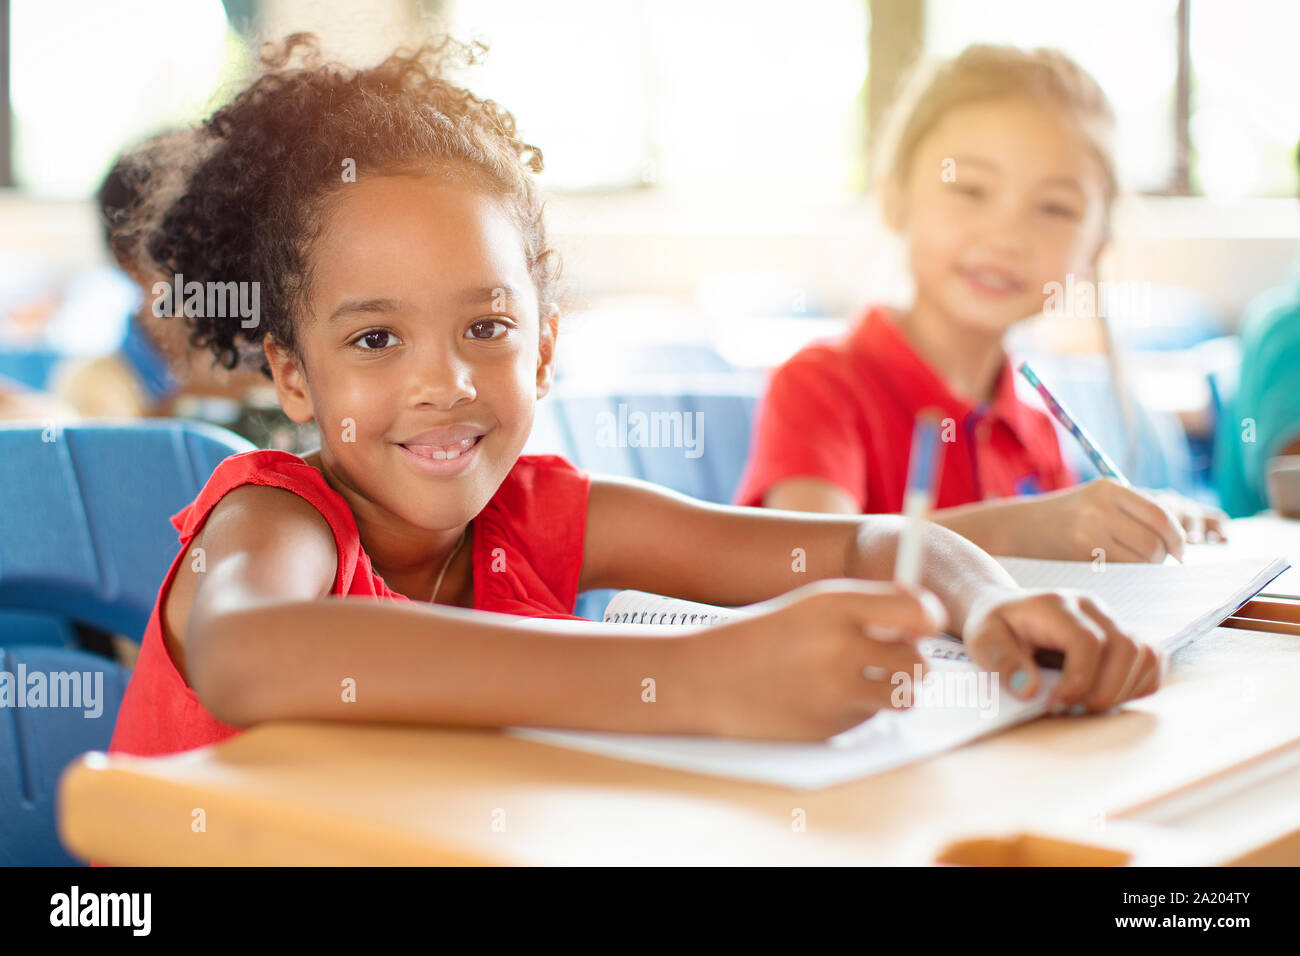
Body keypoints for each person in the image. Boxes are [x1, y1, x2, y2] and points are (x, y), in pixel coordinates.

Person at [109, 34, 1161, 761]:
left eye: (487, 328)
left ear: (545, 347)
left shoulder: (543, 514)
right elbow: (253, 650)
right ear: (293, 374)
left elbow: (866, 546)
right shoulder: (273, 517)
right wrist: (701, 676)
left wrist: (986, 602)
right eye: (375, 338)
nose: (445, 381)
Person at [734, 45, 1225, 563]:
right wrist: (1021, 530)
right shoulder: (820, 388)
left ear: (1096, 249)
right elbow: (801, 563)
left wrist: (1134, 529)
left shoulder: (1036, 428)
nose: (1006, 235)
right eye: (969, 189)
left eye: (1055, 208)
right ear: (894, 199)